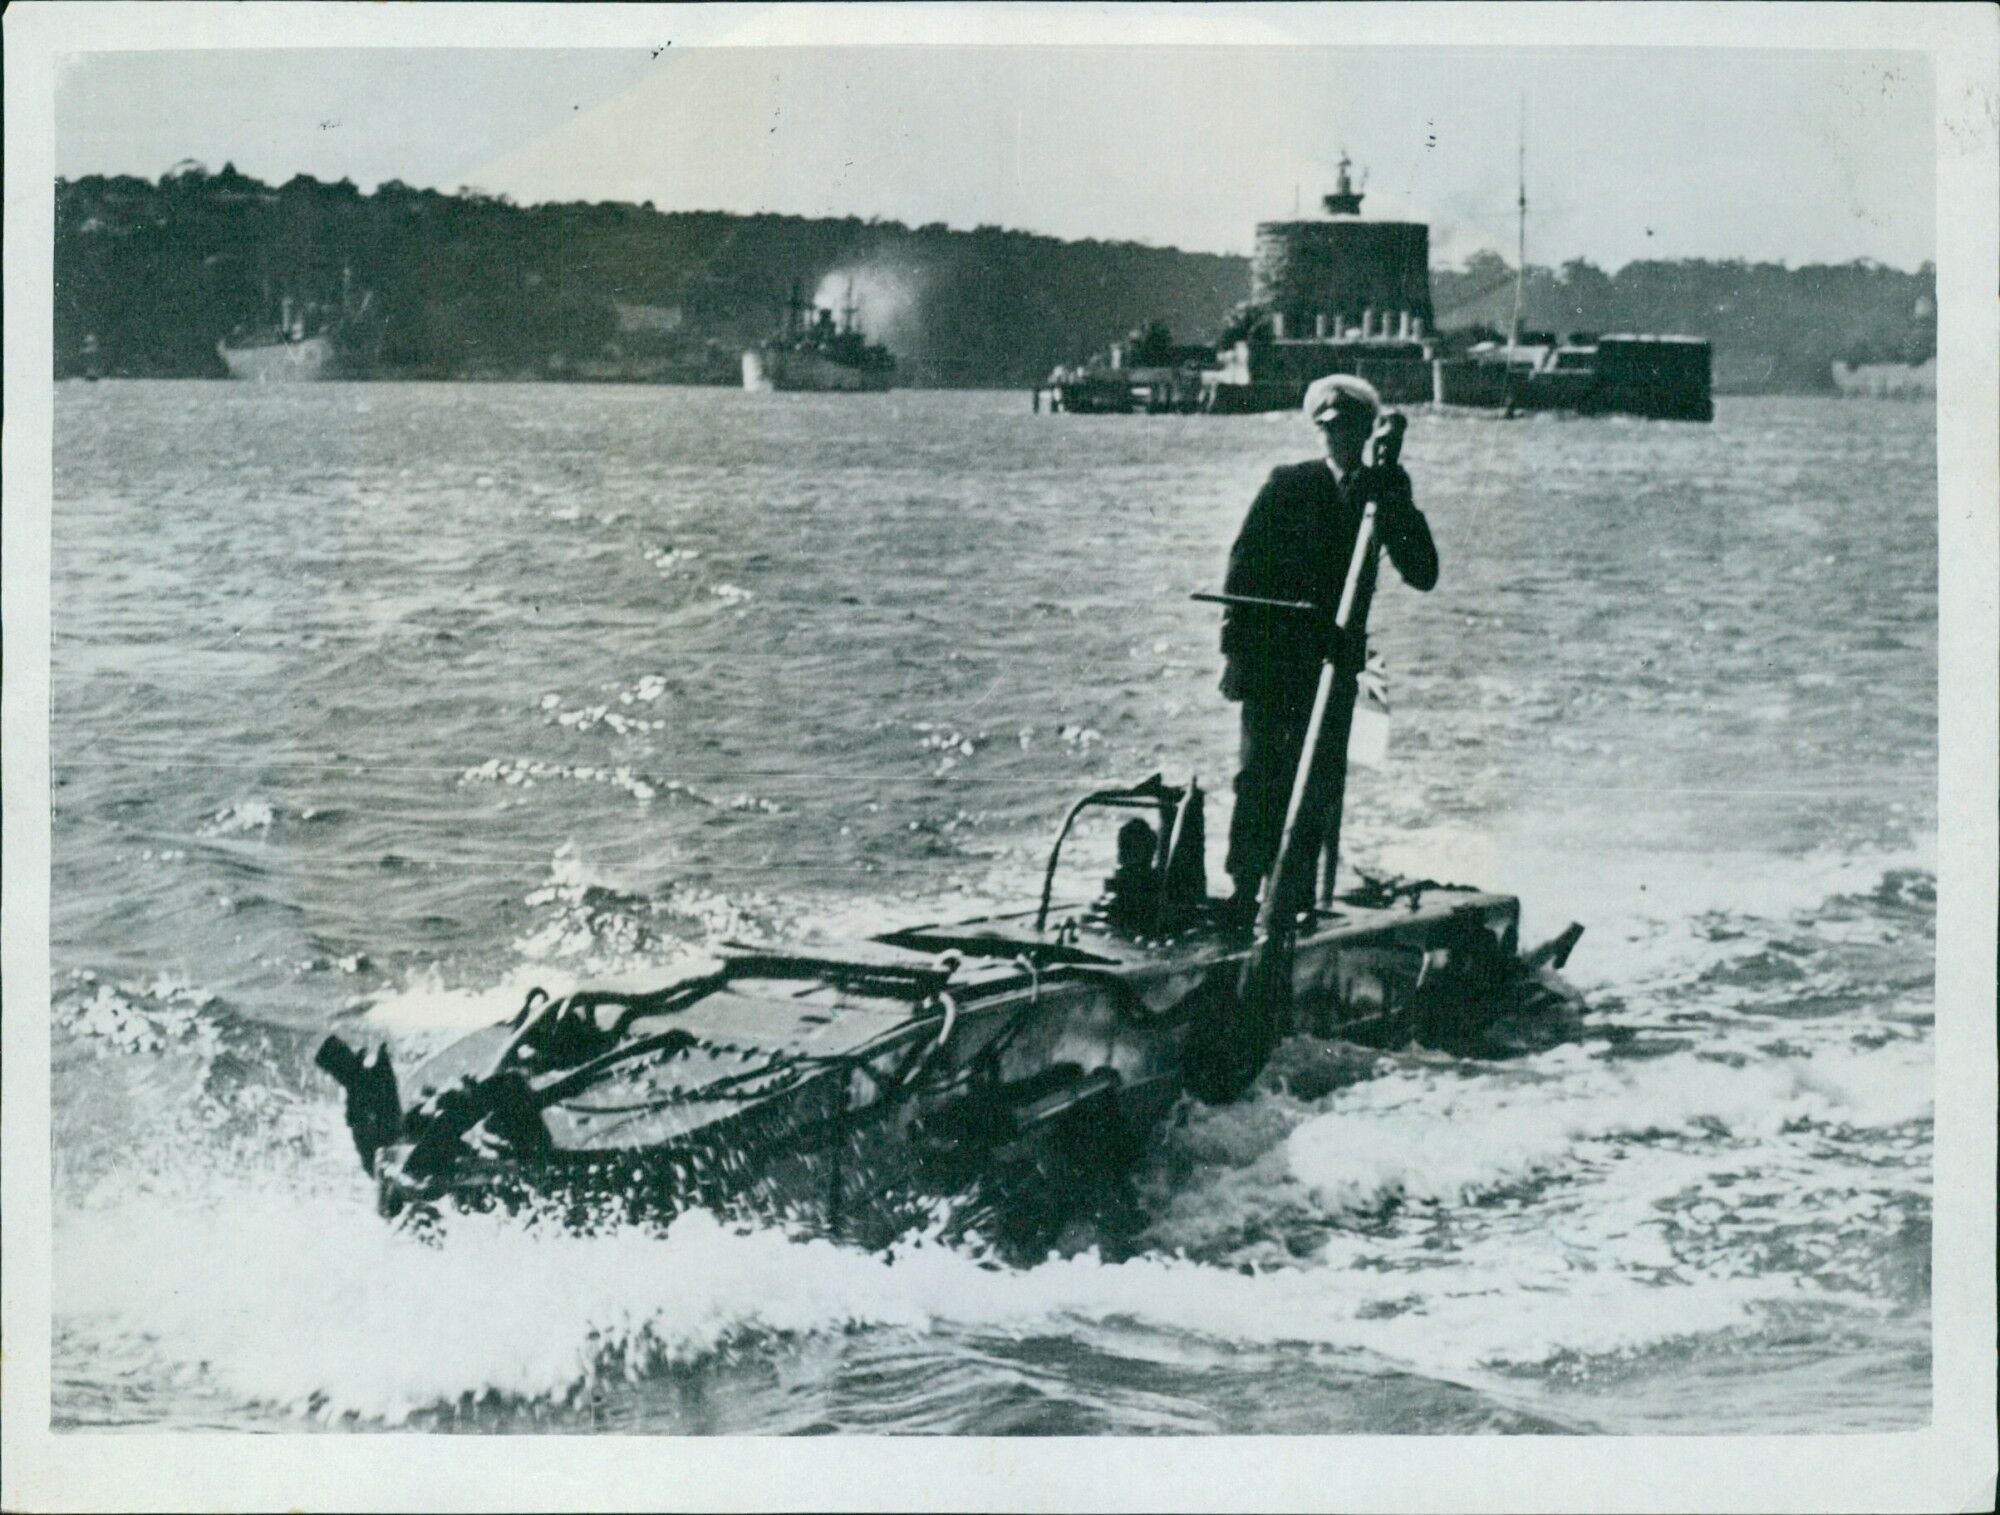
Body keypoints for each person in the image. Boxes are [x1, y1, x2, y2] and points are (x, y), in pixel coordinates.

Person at [1217, 373, 1438, 923]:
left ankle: (1291, 900)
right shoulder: (1288, 484)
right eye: (1330, 429)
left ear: (1366, 431)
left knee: (1318, 781)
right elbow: (1242, 570)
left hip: (1334, 663)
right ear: (1319, 430)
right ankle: (1246, 892)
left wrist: (1396, 504)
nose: (1339, 438)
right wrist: (1235, 656)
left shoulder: (1382, 488)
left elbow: (1423, 573)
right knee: (1260, 776)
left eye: (1351, 428)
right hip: (1274, 657)